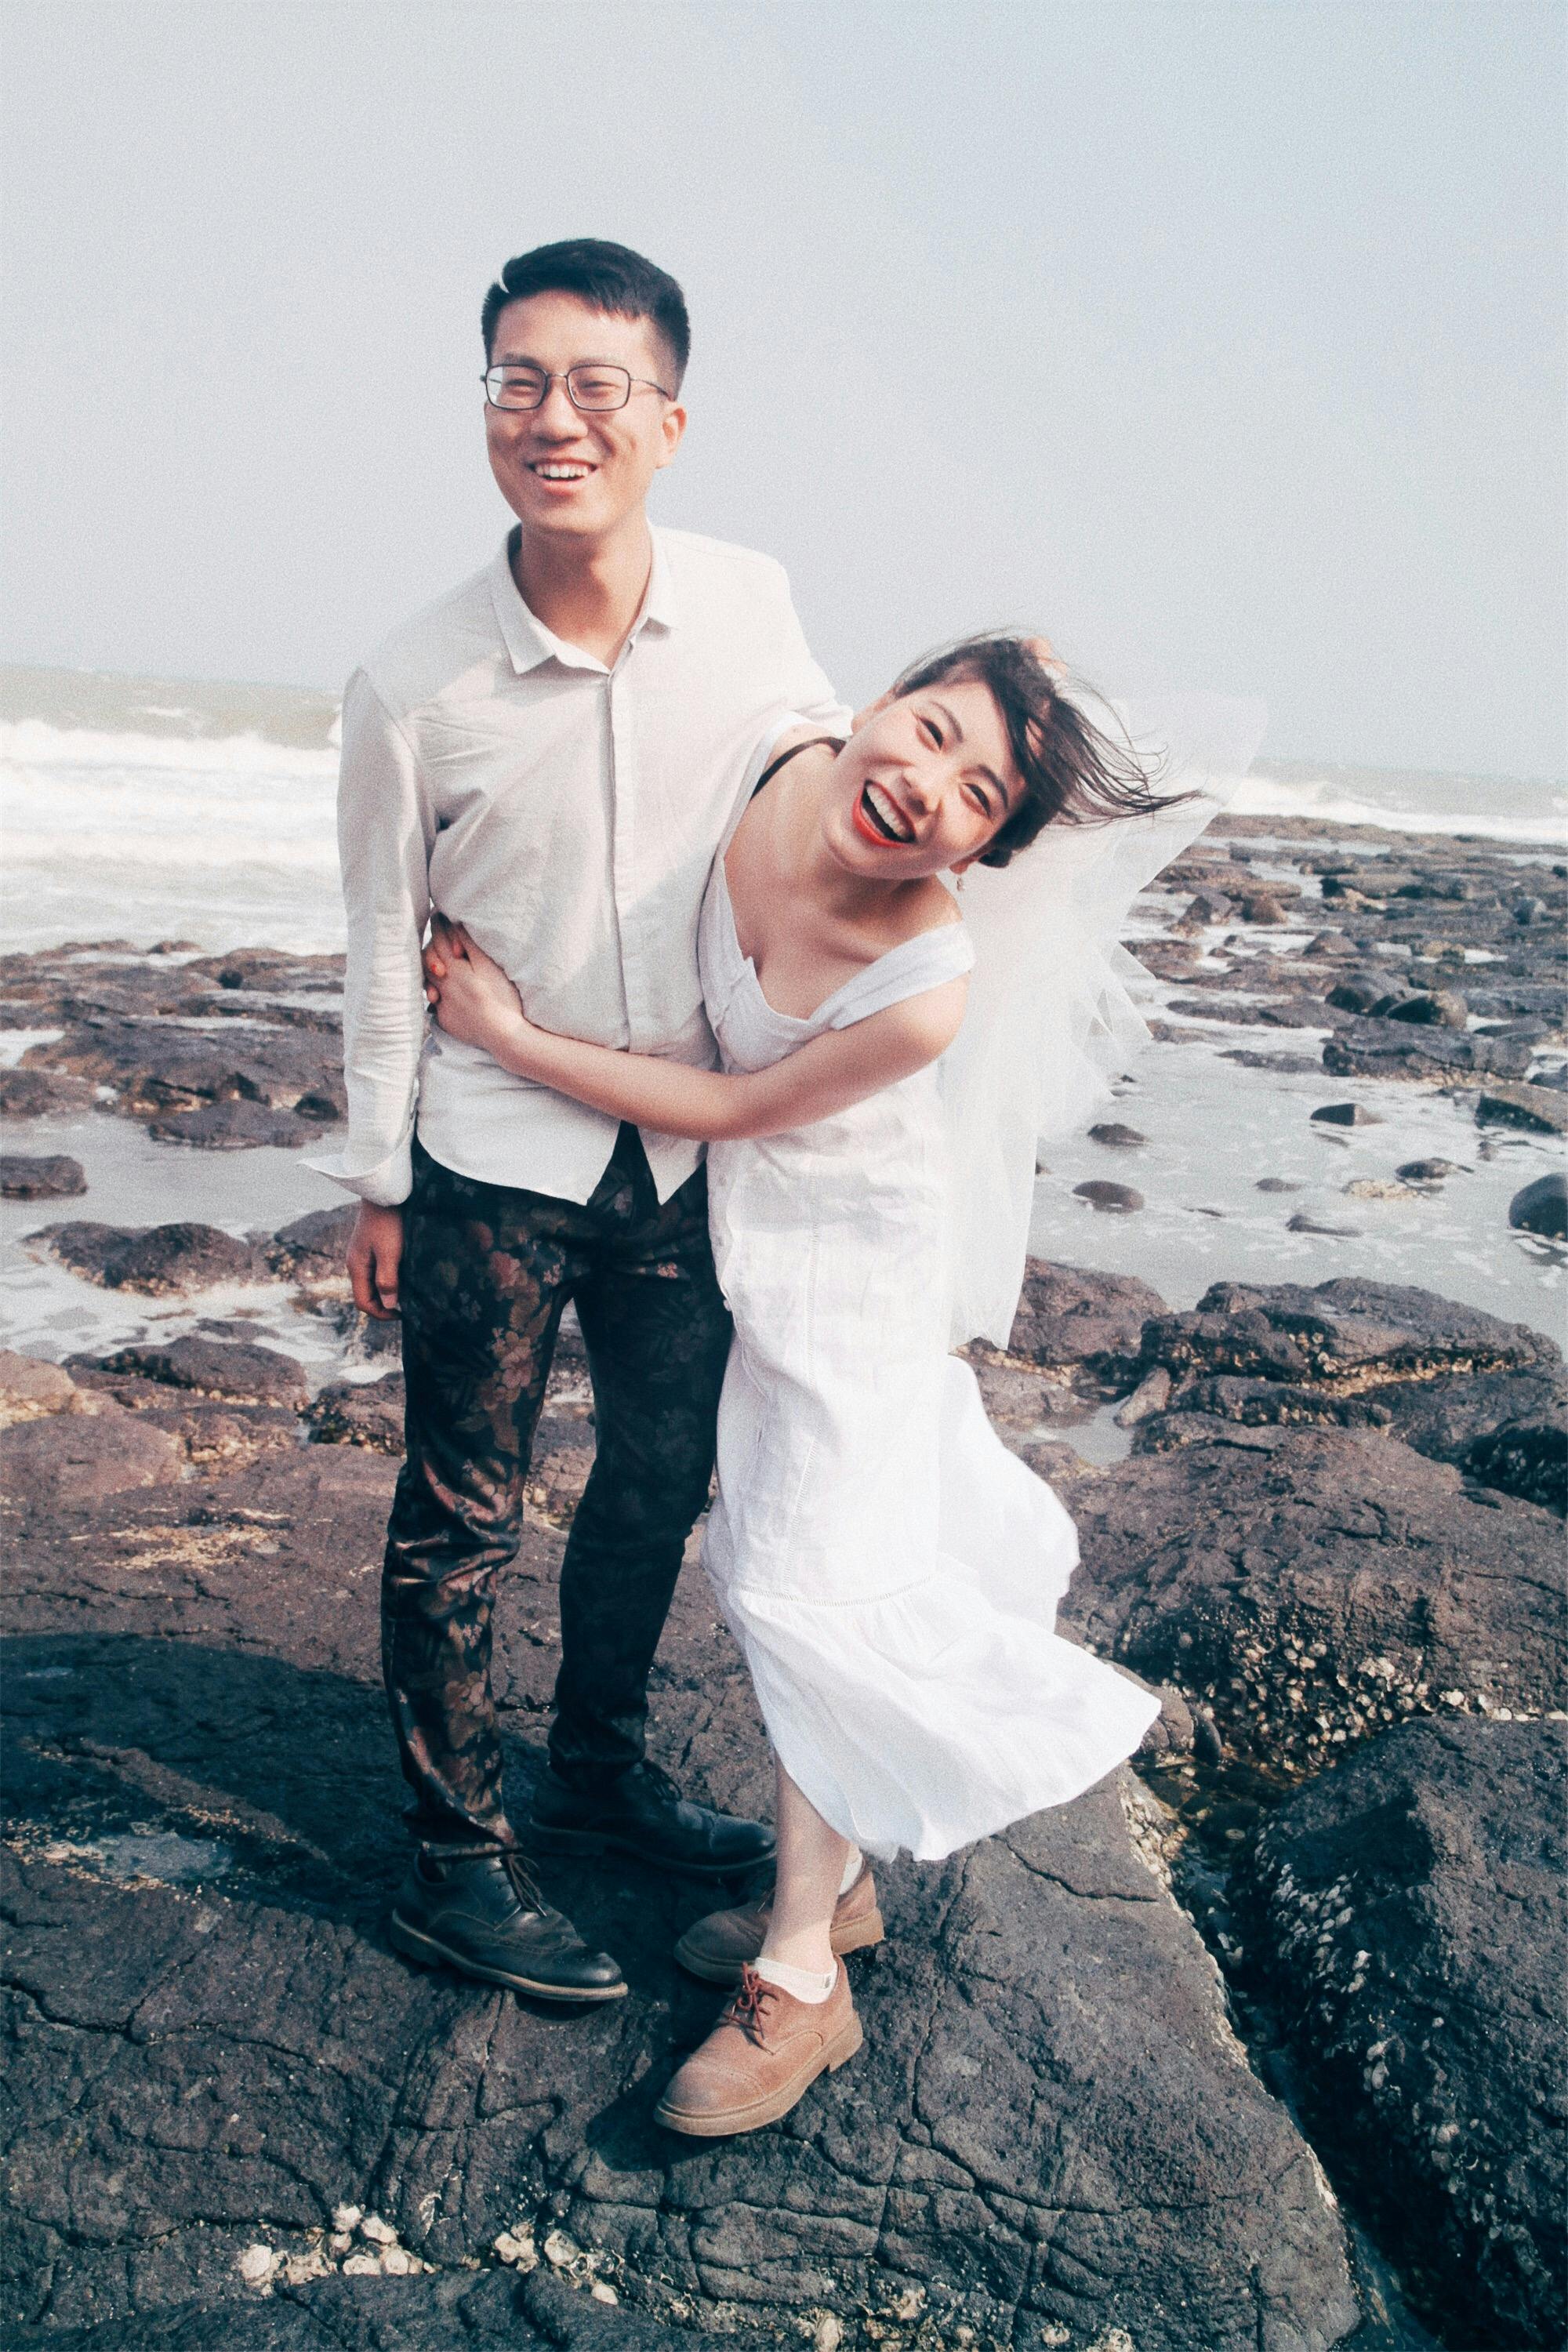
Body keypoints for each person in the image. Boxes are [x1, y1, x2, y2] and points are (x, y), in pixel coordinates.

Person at [420, 634, 1254, 2133]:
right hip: (714, 1238)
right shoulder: (772, 760)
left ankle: (803, 1981)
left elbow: (743, 1105)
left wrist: (516, 1043)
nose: (924, 784)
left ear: (992, 842)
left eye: (976, 790)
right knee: (752, 1566)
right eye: (927, 730)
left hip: (847, 1271)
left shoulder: (927, 981)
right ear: (874, 702)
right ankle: (842, 1879)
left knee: (812, 1579)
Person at [312, 238, 852, 2005]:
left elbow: (833, 824)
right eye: (517, 383)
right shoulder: (413, 683)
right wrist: (376, 1179)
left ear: (668, 422)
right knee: (462, 1511)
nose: (555, 420)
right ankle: (456, 1861)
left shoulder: (754, 605)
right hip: (488, 1166)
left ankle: (598, 1778)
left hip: (685, 1151)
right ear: (485, 407)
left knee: (654, 1483)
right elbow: (384, 951)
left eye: (596, 386)